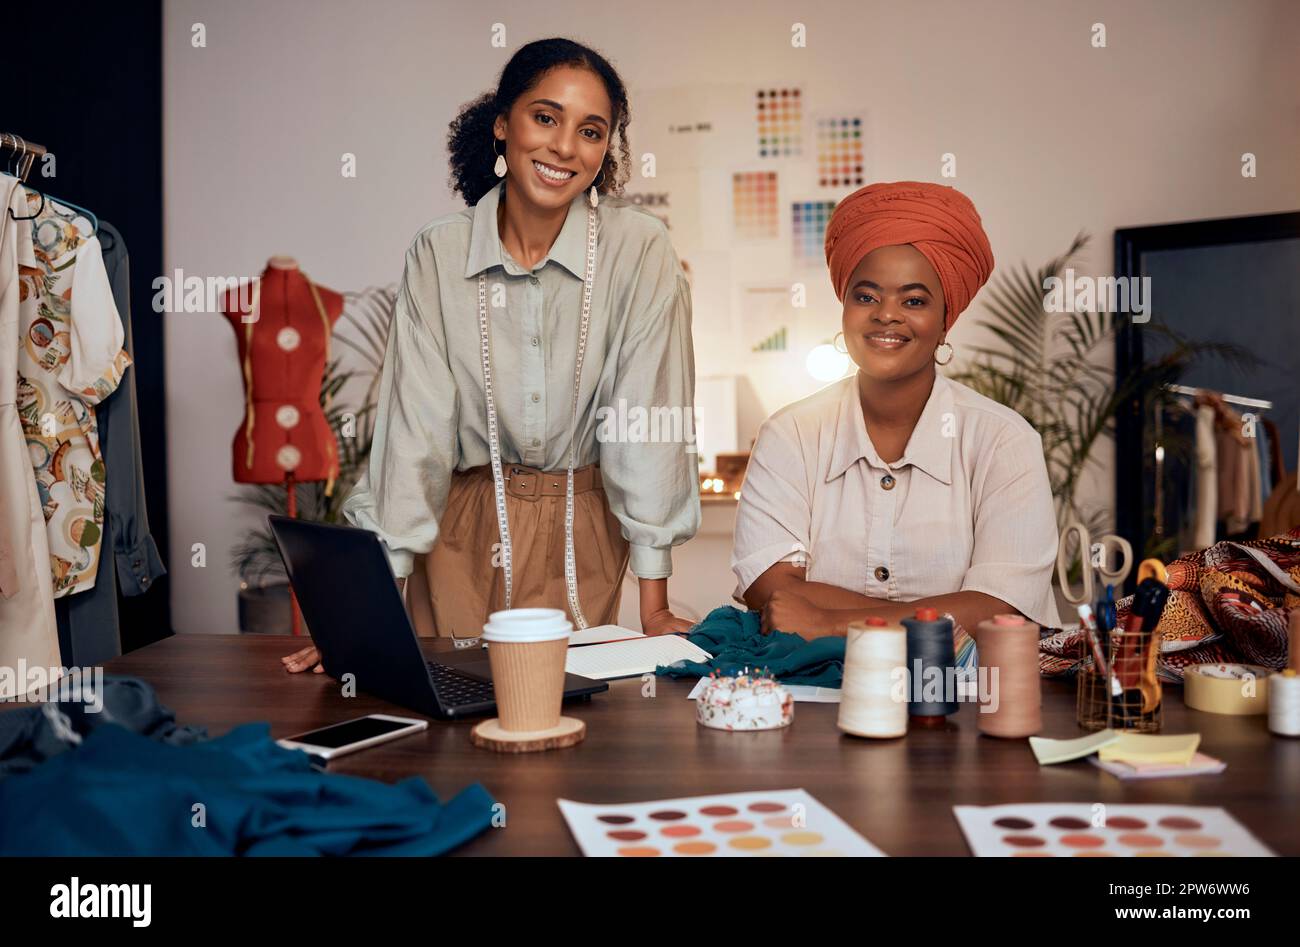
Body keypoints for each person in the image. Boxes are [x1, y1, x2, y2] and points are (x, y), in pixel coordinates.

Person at [284, 38, 699, 673]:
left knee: (572, 727)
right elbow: (413, 435)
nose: (565, 147)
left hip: (581, 520)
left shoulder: (640, 250)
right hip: (458, 524)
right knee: (445, 717)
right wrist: (371, 620)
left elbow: (645, 422)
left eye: (591, 130)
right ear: (502, 124)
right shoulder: (439, 254)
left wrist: (655, 605)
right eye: (545, 117)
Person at [731, 181, 1061, 641]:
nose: (887, 315)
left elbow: (1001, 608)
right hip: (814, 701)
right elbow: (774, 591)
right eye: (866, 296)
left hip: (963, 701)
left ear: (946, 319)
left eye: (914, 301)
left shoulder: (1003, 440)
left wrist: (832, 620)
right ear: (844, 308)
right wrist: (944, 612)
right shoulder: (790, 434)